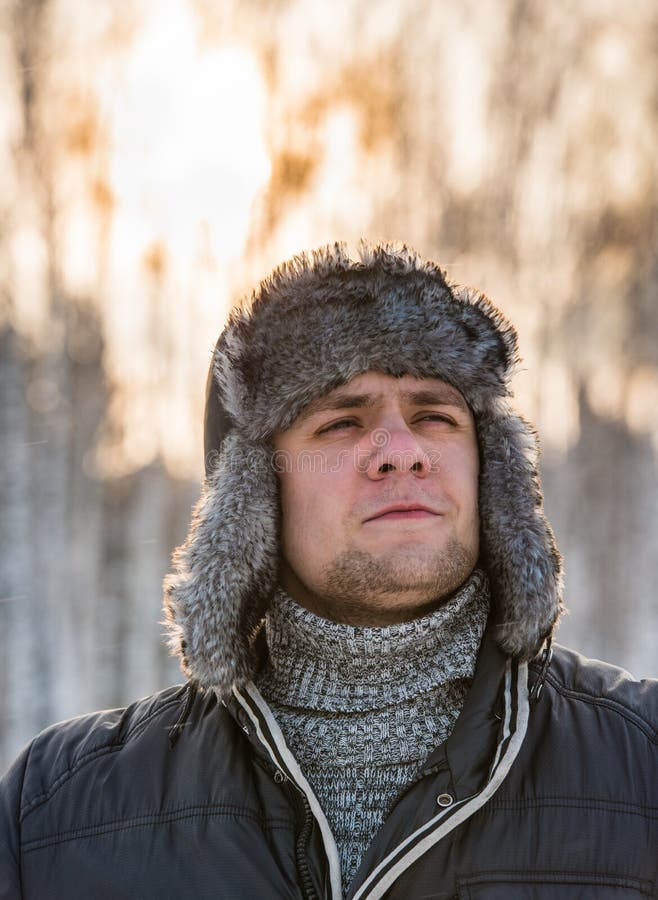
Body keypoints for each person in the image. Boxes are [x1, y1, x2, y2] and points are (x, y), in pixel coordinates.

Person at [1, 242, 656, 899]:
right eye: (342, 423)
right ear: (254, 497)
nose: (402, 452)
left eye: (435, 416)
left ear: (494, 473)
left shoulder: (642, 767)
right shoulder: (58, 816)